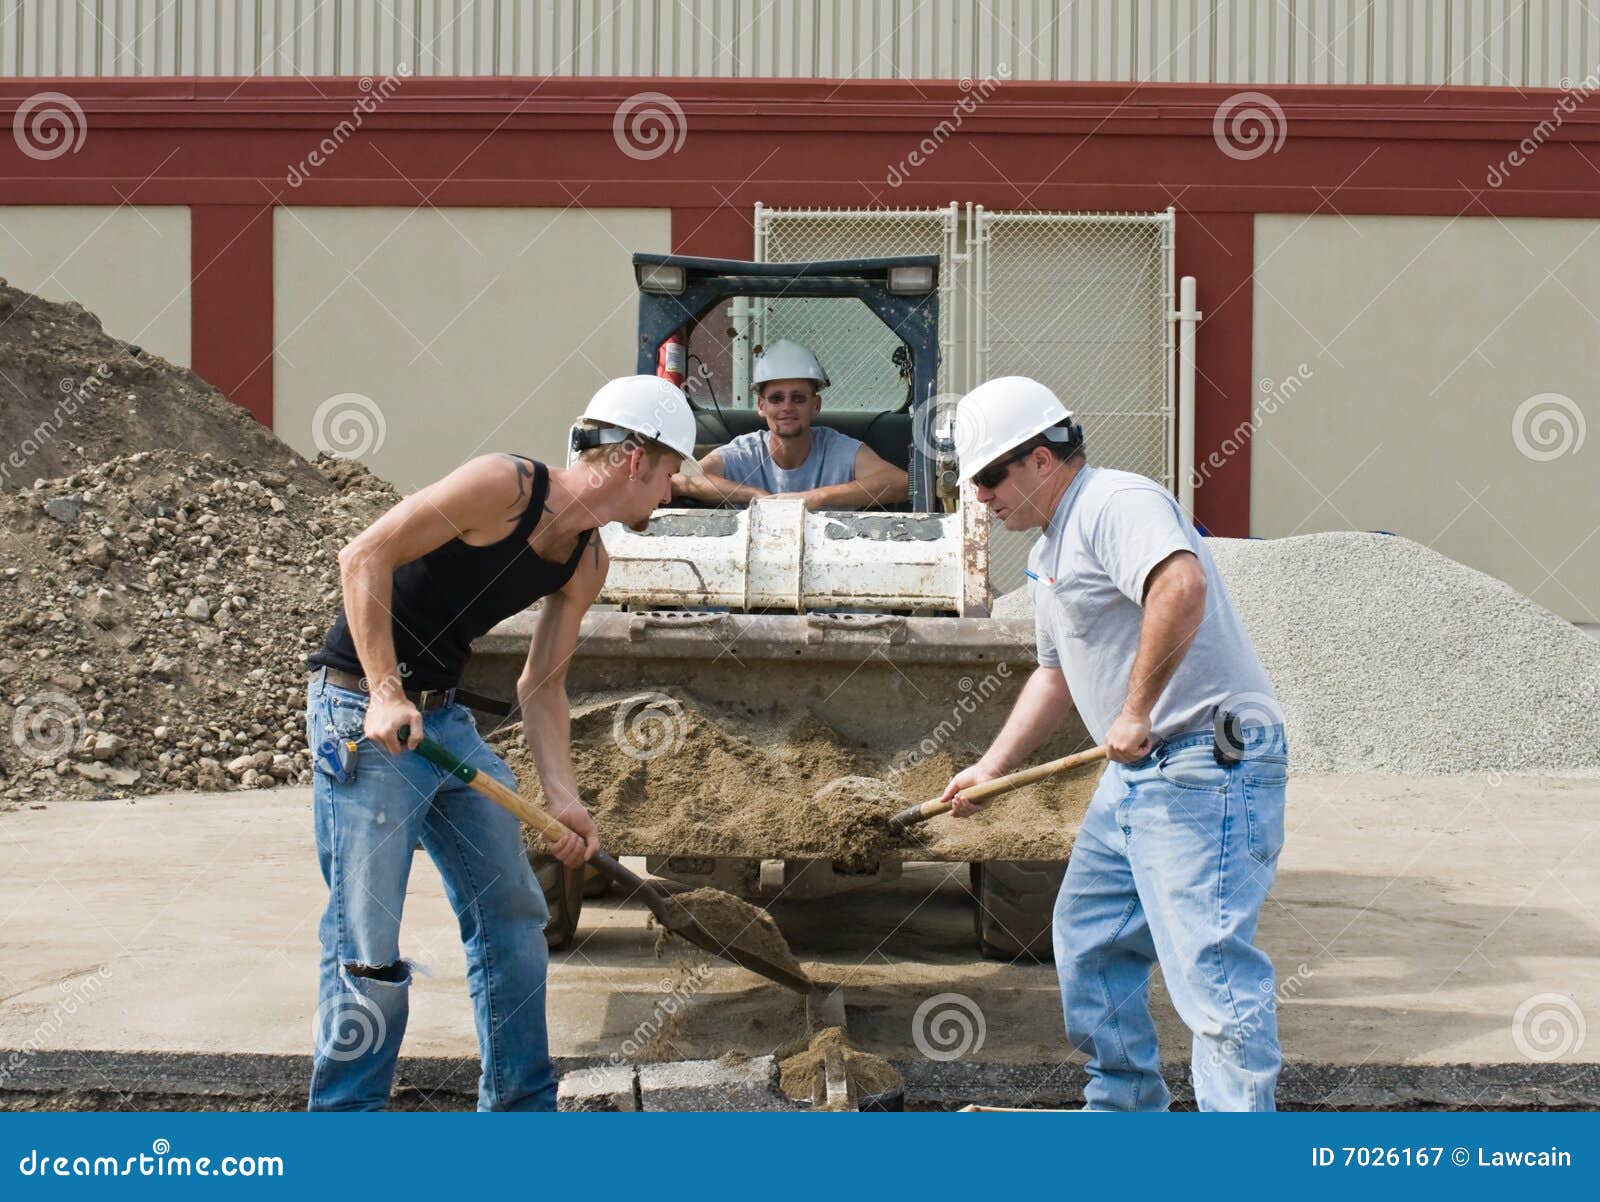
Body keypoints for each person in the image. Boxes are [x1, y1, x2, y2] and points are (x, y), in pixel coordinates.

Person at [303, 375, 699, 1111]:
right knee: (368, 941)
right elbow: (364, 557)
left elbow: (541, 685)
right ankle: (344, 1129)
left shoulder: (587, 561)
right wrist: (385, 690)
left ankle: (519, 1113)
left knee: (513, 910)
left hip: (443, 722)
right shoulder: (505, 486)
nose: (671, 494)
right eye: (672, 472)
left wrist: (565, 800)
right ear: (635, 457)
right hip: (363, 710)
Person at [939, 376, 1289, 1112]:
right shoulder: (1048, 550)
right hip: (1141, 777)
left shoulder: (1113, 503)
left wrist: (1135, 710)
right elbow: (1055, 675)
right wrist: (991, 769)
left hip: (1203, 762)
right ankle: (1127, 1115)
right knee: (1090, 942)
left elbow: (1181, 587)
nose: (980, 495)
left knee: (1212, 972)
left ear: (1041, 459)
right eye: (974, 480)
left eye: (990, 476)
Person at [673, 339, 907, 510]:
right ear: (761, 406)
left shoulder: (839, 450)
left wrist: (813, 498)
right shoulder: (744, 452)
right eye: (776, 399)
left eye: (798, 398)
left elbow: (901, 483)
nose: (787, 407)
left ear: (815, 405)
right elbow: (683, 479)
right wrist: (753, 494)